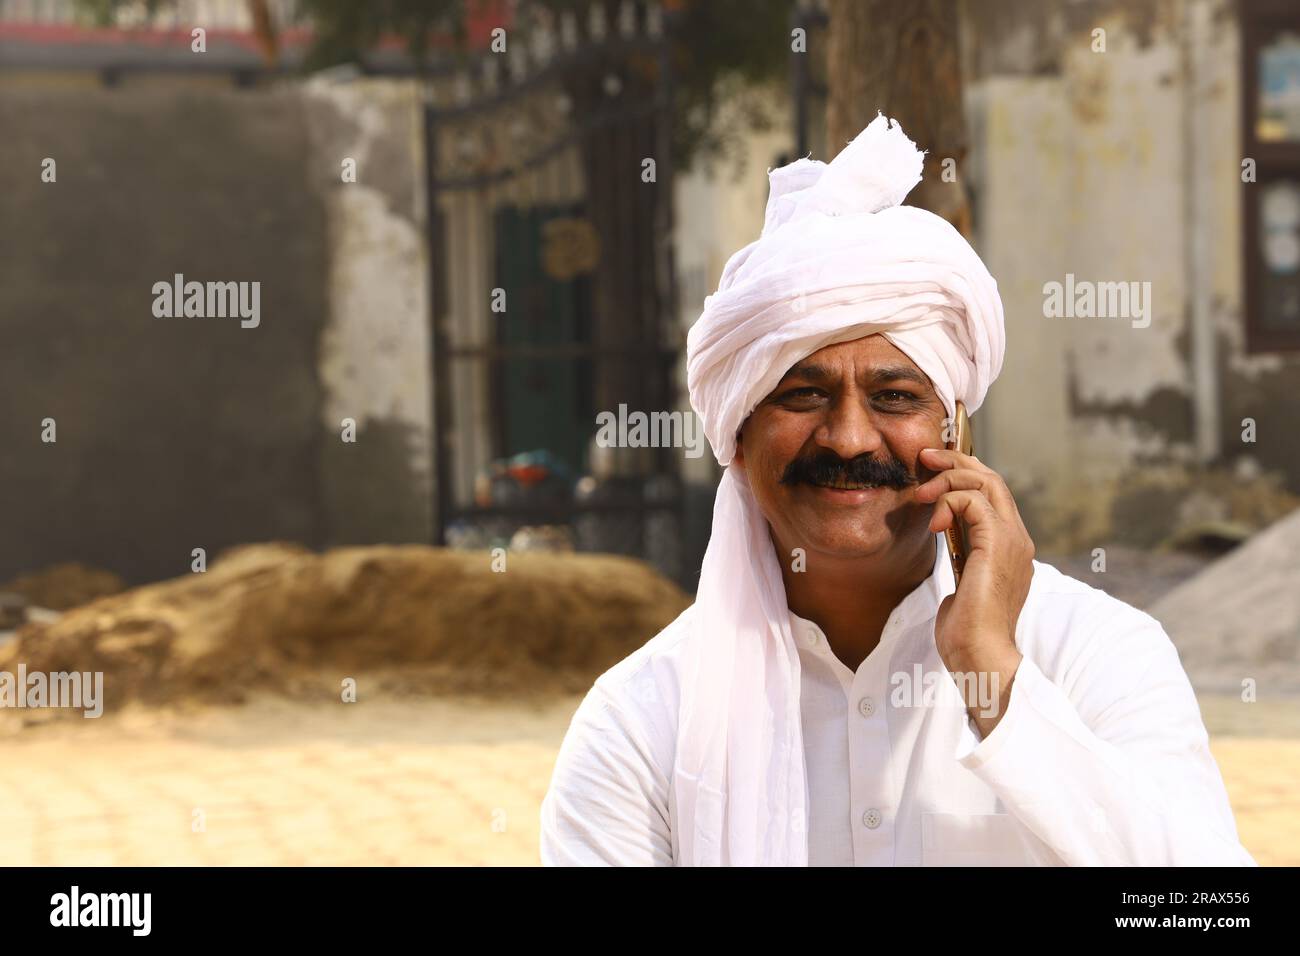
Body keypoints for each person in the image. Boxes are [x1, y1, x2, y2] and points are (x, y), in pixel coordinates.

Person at [539, 113, 1256, 866]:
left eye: (895, 398)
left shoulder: (1092, 654)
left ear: (955, 435)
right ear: (739, 439)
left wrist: (993, 675)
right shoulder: (643, 722)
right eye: (803, 395)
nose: (849, 438)